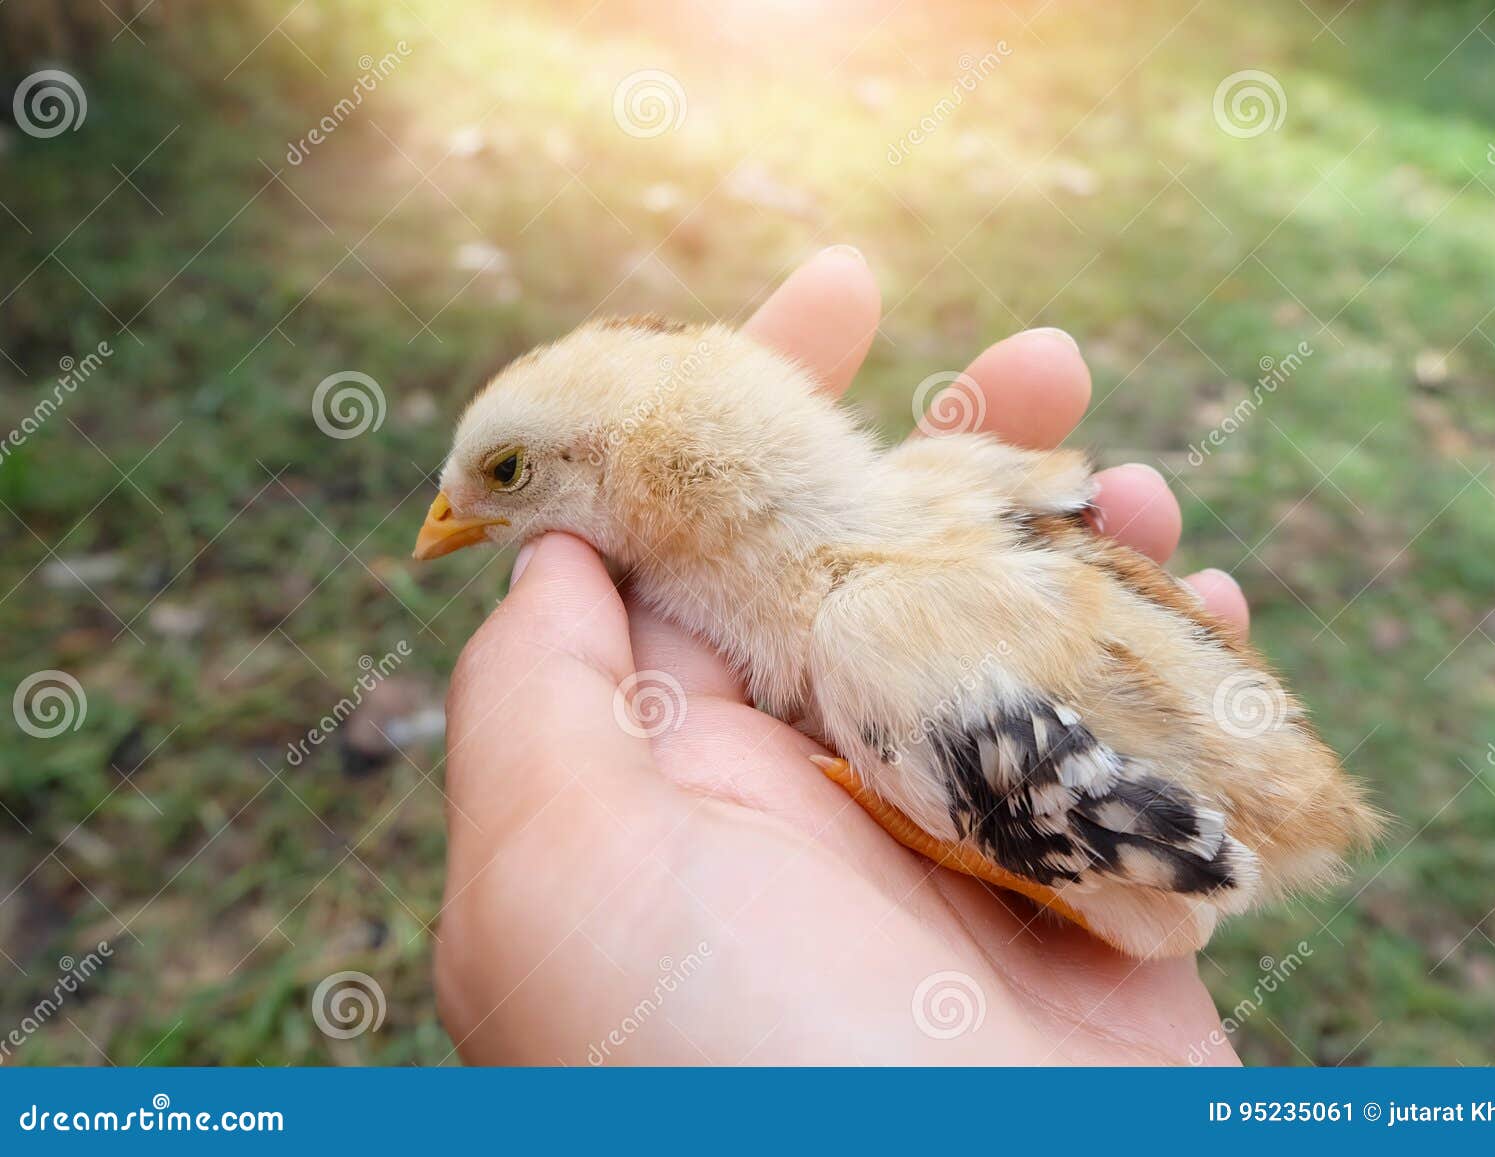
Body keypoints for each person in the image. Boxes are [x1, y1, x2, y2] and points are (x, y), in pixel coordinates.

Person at [434, 246, 1250, 1064]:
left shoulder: (870, 645)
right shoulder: (938, 475)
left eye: (508, 472)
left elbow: (1166, 916)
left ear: (626, 470)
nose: (441, 520)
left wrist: (927, 827)